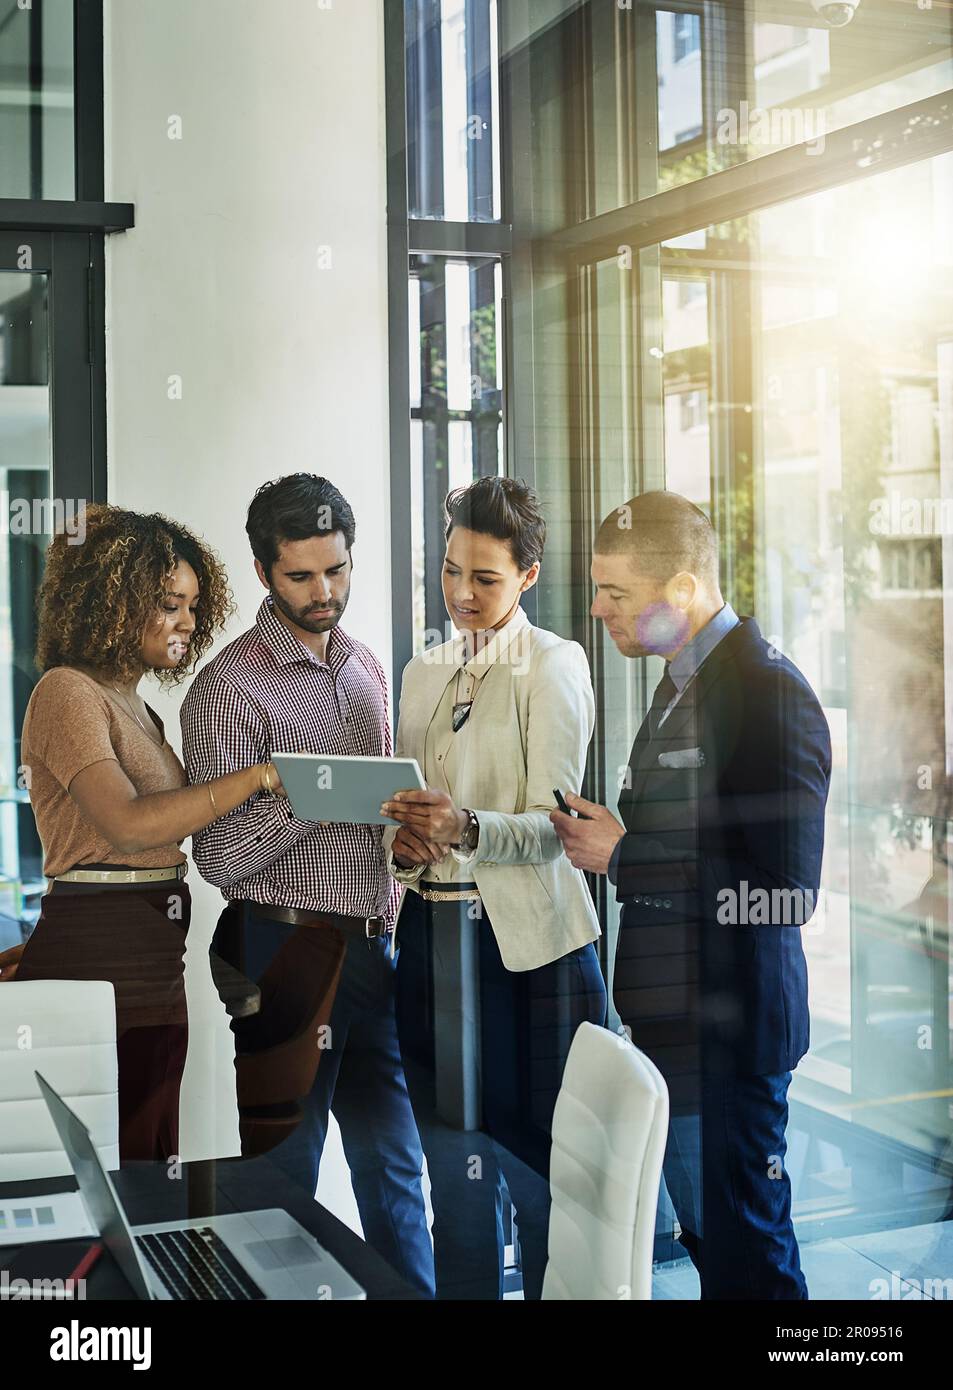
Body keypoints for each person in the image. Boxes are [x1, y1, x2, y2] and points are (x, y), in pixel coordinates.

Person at [551, 490, 832, 1300]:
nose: (597, 608)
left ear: (680, 591)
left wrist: (625, 857)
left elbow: (783, 892)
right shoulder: (681, 679)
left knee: (748, 1251)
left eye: (616, 593)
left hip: (730, 1034)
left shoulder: (770, 693)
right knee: (712, 1241)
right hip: (676, 1026)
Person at [180, 473, 435, 1299]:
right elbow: (216, 858)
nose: (325, 593)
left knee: (396, 1171)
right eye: (301, 576)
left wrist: (403, 844)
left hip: (376, 947)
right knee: (282, 1172)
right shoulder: (227, 686)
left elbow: (376, 820)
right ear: (263, 573)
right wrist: (310, 800)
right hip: (281, 949)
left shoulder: (365, 665)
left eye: (338, 569)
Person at [381, 476, 607, 1301]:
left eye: (485, 577)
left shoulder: (554, 664)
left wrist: (467, 830)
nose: (462, 594)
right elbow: (407, 815)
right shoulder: (419, 672)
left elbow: (561, 826)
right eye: (450, 572)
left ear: (527, 576)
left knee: (547, 1185)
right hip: (434, 951)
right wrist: (404, 845)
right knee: (456, 1189)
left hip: (528, 960)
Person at [7, 504, 283, 1161]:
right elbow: (129, 827)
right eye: (168, 603)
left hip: (154, 954)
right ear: (112, 601)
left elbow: (174, 825)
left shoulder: (135, 703)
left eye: (192, 604)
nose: (187, 621)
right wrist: (255, 778)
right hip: (97, 949)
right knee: (96, 1160)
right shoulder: (67, 693)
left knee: (146, 1151)